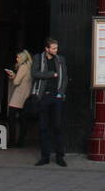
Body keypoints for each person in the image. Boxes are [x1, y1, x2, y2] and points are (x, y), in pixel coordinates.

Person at [31, 37, 68, 167]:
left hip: (56, 97)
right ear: (46, 49)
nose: (56, 50)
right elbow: (34, 73)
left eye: (56, 48)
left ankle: (60, 156)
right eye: (53, 48)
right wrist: (50, 74)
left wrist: (60, 93)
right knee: (43, 127)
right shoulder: (38, 58)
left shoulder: (60, 59)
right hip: (43, 96)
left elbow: (64, 78)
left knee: (58, 126)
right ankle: (45, 156)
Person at [4, 50, 32, 148]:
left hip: (19, 95)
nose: (16, 59)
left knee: (11, 118)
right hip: (26, 95)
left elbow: (16, 82)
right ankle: (21, 141)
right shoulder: (29, 66)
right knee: (23, 120)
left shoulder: (23, 67)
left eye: (18, 57)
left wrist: (13, 76)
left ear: (22, 58)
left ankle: (12, 141)